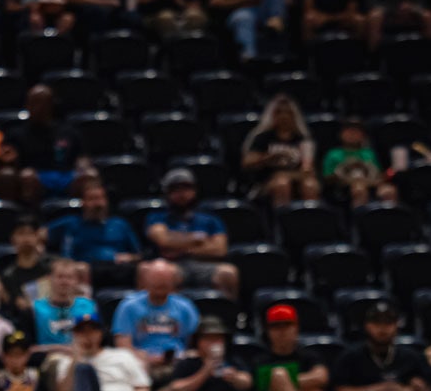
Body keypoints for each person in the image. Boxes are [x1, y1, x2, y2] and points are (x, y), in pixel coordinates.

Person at [333, 301, 431, 391]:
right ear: (367, 326)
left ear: (397, 326)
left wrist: (411, 390)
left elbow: (428, 390)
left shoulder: (411, 356)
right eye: (377, 323)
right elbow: (338, 390)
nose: (382, 329)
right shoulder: (351, 356)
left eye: (388, 323)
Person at [143, 167, 238, 297]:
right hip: (172, 266)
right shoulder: (156, 217)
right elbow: (163, 241)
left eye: (186, 188)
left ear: (195, 191)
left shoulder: (210, 219)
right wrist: (198, 240)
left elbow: (220, 249)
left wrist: (179, 247)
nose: (182, 194)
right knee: (161, 273)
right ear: (167, 193)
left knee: (227, 273)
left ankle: (227, 315)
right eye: (176, 190)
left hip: (204, 265)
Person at [112, 260, 200, 369]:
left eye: (164, 284)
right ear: (146, 281)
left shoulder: (185, 306)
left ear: (173, 282)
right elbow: (123, 345)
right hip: (141, 363)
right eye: (156, 283)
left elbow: (195, 343)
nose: (160, 287)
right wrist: (144, 359)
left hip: (178, 362)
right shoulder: (129, 306)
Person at [240, 94, 318, 208]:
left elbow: (308, 170)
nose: (284, 116)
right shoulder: (262, 138)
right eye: (279, 112)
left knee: (310, 185)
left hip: (296, 179)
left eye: (288, 113)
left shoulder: (302, 140)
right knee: (282, 183)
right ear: (272, 115)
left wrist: (285, 174)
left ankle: (310, 219)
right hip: (266, 183)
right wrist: (269, 158)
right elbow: (246, 163)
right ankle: (281, 219)